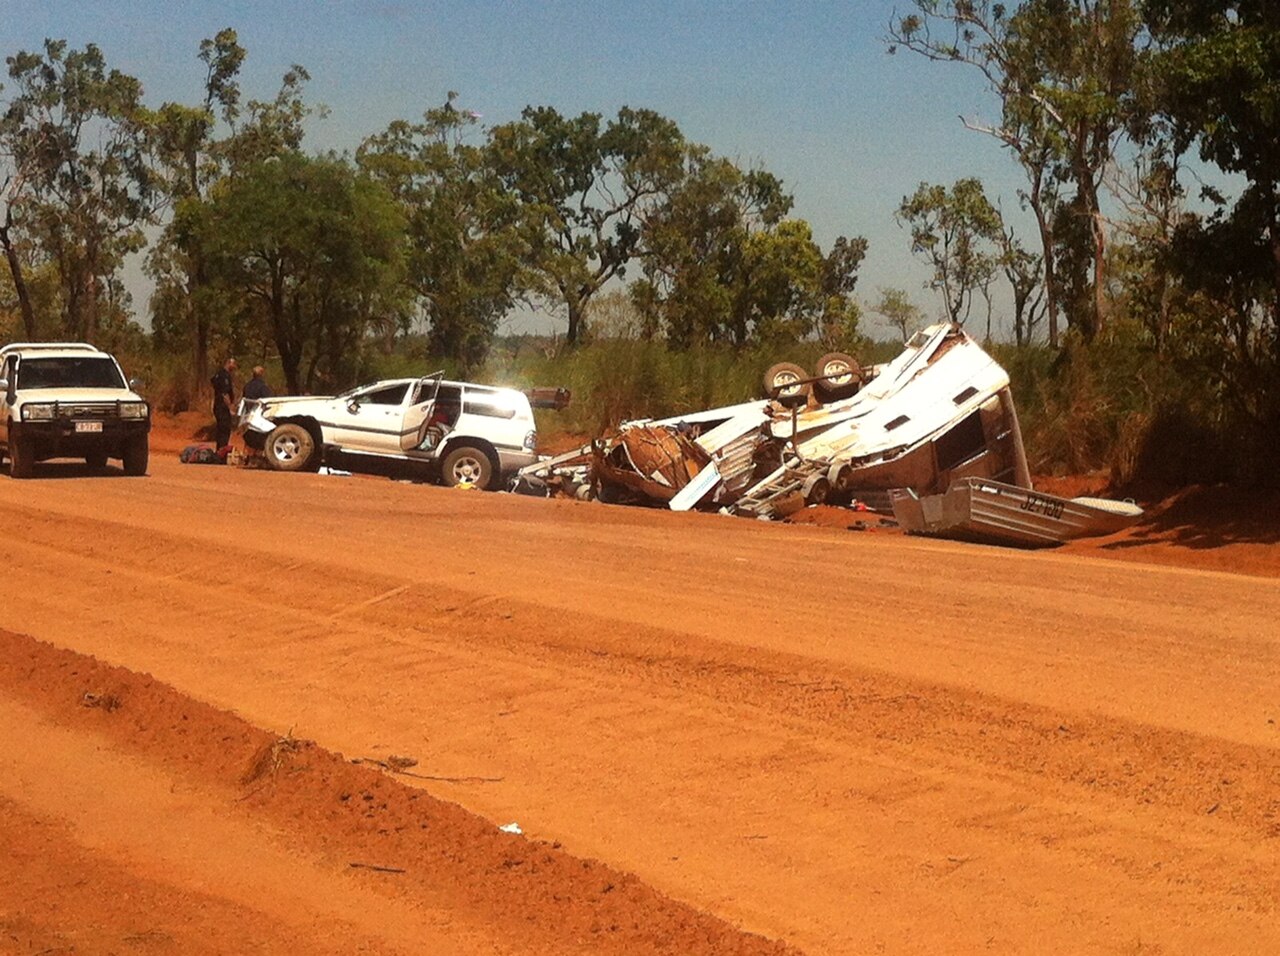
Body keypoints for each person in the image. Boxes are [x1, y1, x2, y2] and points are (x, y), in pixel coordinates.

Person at [210, 357, 237, 450]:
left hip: (217, 405)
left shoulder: (219, 373)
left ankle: (219, 451)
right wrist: (230, 408)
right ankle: (222, 452)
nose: (234, 367)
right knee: (225, 429)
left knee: (220, 429)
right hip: (222, 407)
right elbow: (224, 394)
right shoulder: (224, 376)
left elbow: (213, 384)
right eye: (233, 364)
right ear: (229, 363)